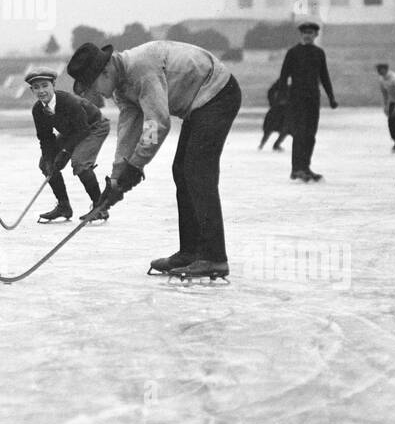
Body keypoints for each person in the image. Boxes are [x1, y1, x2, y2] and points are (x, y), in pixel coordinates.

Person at [67, 40, 242, 280]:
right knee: (181, 170)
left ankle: (215, 257)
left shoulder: (140, 70)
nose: (99, 95)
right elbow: (129, 127)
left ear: (105, 72)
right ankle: (190, 252)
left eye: (95, 87)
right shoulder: (121, 84)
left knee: (196, 171)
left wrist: (136, 166)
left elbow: (156, 124)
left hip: (218, 94)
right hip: (198, 105)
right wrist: (118, 177)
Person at [24, 68, 110, 223]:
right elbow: (45, 138)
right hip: (73, 130)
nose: (41, 91)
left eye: (45, 85)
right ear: (32, 90)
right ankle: (64, 207)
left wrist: (64, 152)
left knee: (80, 163)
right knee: (45, 164)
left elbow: (83, 129)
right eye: (36, 87)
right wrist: (50, 159)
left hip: (94, 126)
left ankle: (100, 208)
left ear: (53, 85)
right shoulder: (38, 110)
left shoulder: (68, 101)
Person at [277, 20, 337, 182]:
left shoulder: (319, 53)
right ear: (301, 34)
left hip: (313, 99)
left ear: (316, 35)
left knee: (310, 135)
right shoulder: (293, 52)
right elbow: (283, 76)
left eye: (311, 33)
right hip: (297, 99)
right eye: (305, 33)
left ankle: (306, 167)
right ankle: (296, 169)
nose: (307, 36)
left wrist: (331, 97)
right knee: (299, 134)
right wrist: (282, 97)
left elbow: (324, 76)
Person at [259, 78, 290, 151]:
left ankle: (275, 145)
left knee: (285, 129)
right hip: (276, 111)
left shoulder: (289, 86)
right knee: (270, 129)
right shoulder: (278, 86)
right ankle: (262, 145)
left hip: (283, 111)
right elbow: (270, 94)